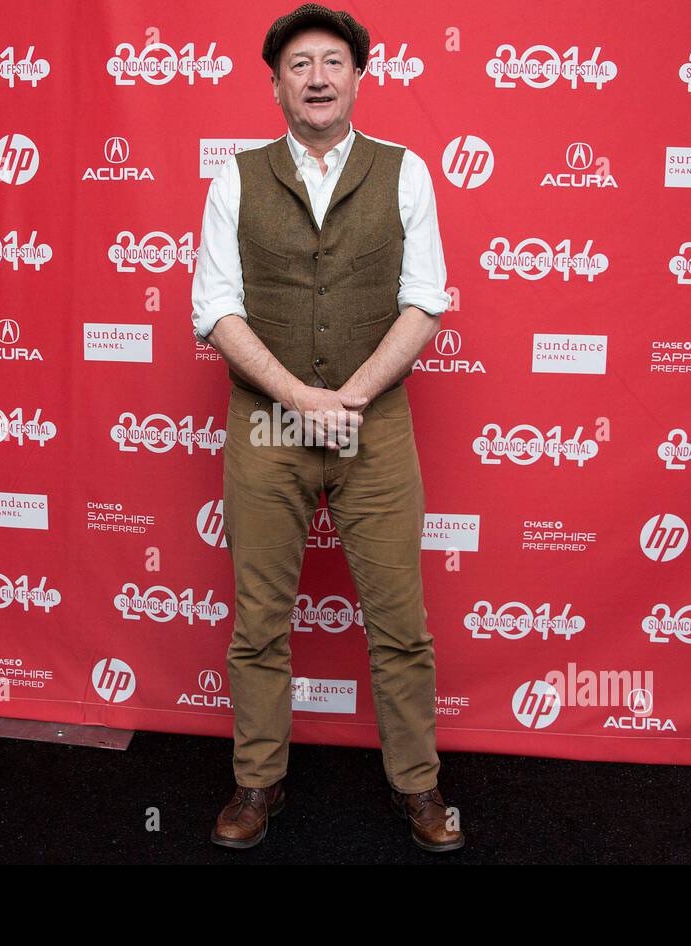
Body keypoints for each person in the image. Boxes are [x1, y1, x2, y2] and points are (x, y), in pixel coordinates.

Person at [190, 2, 462, 852]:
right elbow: (215, 310)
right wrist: (298, 400)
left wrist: (350, 398)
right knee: (260, 619)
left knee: (400, 625)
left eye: (333, 63)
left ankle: (417, 786)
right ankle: (257, 782)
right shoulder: (235, 177)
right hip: (265, 426)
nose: (317, 77)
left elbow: (426, 301)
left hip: (374, 426)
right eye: (299, 64)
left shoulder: (406, 171)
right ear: (276, 84)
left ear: (357, 78)